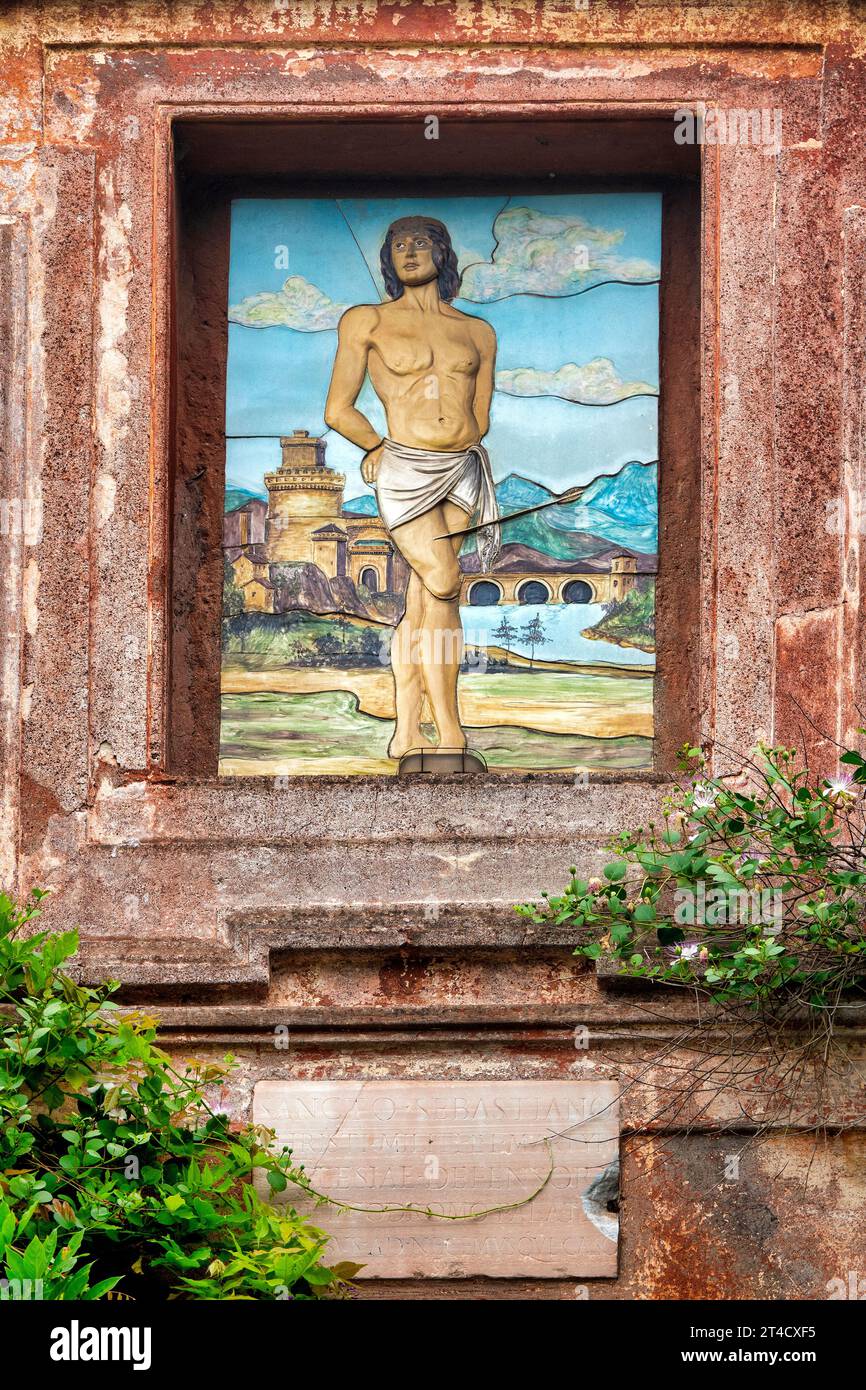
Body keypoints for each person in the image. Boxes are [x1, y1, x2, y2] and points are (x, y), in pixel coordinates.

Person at [324, 215, 500, 758]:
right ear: (388, 259)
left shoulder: (476, 332)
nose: (408, 251)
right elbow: (338, 409)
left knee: (428, 595)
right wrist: (376, 447)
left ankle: (412, 730)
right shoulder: (367, 321)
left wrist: (458, 441)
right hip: (404, 467)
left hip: (463, 468)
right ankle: (449, 730)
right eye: (398, 244)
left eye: (421, 243)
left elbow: (481, 414)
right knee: (443, 577)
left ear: (442, 254)